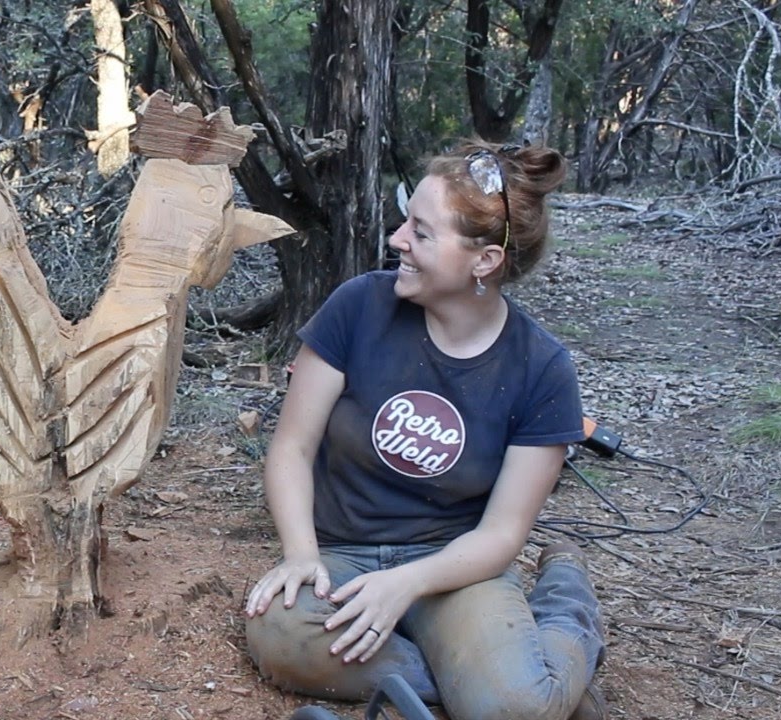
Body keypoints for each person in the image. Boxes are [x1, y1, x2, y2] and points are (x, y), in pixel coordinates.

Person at [243, 140, 606, 720]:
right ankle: (483, 682)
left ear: (483, 262)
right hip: (343, 555)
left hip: (454, 566)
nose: (397, 240)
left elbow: (502, 534)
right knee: (280, 631)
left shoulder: (542, 369)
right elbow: (292, 446)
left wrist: (408, 584)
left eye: (421, 231)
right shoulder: (359, 306)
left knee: (512, 707)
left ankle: (562, 606)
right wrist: (300, 554)